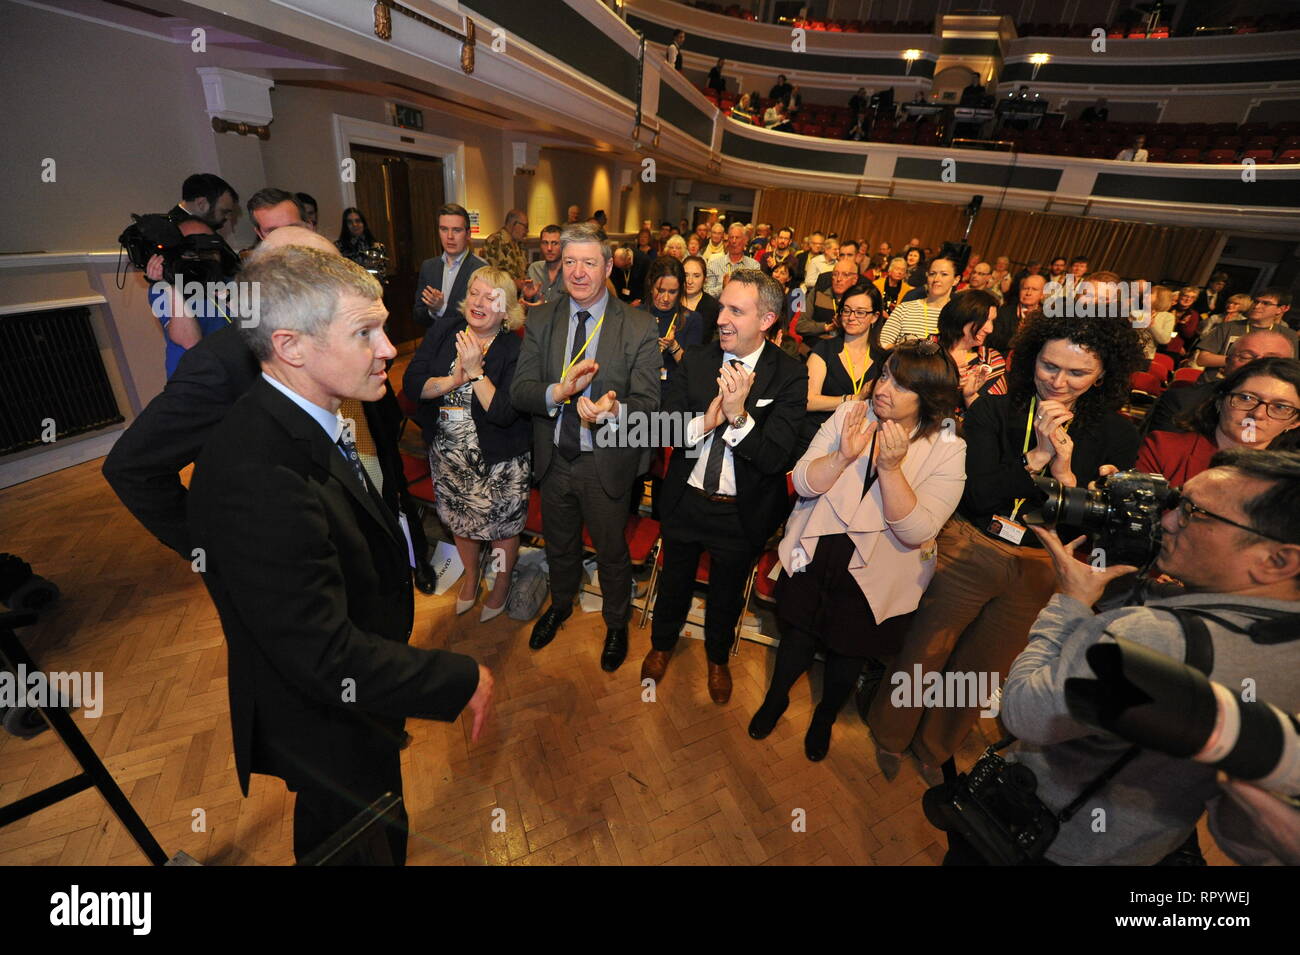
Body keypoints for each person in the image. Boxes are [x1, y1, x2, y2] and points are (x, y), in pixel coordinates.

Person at [187, 245, 492, 865]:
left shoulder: (305, 418)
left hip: (358, 698)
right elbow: (320, 651)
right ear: (292, 346)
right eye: (365, 332)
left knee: (365, 825)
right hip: (326, 712)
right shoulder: (259, 469)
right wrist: (462, 678)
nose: (388, 348)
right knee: (357, 844)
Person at [867, 312, 1144, 779]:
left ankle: (935, 748)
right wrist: (1035, 456)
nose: (1058, 381)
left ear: (1103, 376)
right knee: (925, 649)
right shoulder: (995, 410)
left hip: (1041, 563)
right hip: (972, 544)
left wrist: (1066, 476)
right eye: (1048, 365)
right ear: (1031, 358)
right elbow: (977, 493)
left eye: (1077, 373)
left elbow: (1095, 524)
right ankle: (891, 733)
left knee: (982, 669)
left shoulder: (1117, 434)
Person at [991, 449, 1300, 866]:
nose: (1167, 521)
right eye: (1173, 501)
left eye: (1192, 512)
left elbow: (1025, 712)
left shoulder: (1150, 636)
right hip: (1138, 849)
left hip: (1041, 839)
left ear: (1277, 559)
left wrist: (1068, 603)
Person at [108, 225, 440, 588]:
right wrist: (218, 551)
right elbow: (134, 468)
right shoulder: (222, 363)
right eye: (320, 275)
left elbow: (379, 429)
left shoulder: (354, 335)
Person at [758, 344, 967, 758]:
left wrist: (890, 469)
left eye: (902, 384)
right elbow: (802, 481)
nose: (884, 388)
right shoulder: (848, 414)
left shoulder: (948, 447)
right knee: (796, 633)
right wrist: (842, 456)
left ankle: (825, 717)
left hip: (879, 566)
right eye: (886, 374)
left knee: (847, 651)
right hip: (817, 547)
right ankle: (775, 699)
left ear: (927, 398)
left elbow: (918, 530)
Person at [640, 270, 807, 704]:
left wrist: (737, 417)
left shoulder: (789, 375)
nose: (722, 319)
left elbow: (775, 458)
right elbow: (666, 427)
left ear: (768, 320)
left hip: (741, 511)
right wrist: (709, 420)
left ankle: (717, 657)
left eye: (737, 311)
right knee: (673, 582)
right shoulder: (696, 359)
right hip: (684, 500)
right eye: (722, 307)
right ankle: (661, 645)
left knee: (727, 594)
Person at [511, 224, 661, 671]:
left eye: (589, 262)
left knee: (612, 552)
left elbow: (651, 405)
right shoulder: (541, 318)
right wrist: (557, 393)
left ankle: (616, 624)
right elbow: (520, 391)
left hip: (605, 462)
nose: (577, 272)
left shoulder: (637, 324)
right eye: (570, 261)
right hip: (556, 457)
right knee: (559, 544)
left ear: (608, 266)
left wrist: (613, 411)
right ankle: (560, 605)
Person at [404, 267, 531, 621]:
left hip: (498, 462)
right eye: (475, 293)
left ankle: (502, 582)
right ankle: (472, 577)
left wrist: (475, 373)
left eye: (491, 297)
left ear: (506, 310)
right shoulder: (445, 331)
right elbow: (413, 385)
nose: (479, 302)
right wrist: (452, 379)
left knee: (502, 529)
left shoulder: (515, 350)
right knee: (460, 524)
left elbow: (505, 412)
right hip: (448, 457)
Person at [1137, 357, 1300, 484]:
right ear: (1219, 400)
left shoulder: (1291, 479)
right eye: (1246, 398)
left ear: (1294, 422)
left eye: (1280, 407)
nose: (1258, 414)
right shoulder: (1164, 449)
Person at [1143, 329, 1295, 435]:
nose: (1258, 366)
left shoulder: (1293, 415)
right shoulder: (1183, 401)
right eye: (1246, 357)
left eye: (1271, 360)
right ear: (1227, 362)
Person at [148, 217, 238, 378]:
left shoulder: (231, 281)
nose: (200, 257)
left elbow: (253, 329)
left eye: (208, 248)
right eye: (192, 250)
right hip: (195, 379)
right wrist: (172, 284)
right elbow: (190, 341)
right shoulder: (163, 289)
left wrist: (221, 289)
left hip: (234, 373)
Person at [802, 282, 887, 447]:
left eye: (860, 312)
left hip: (862, 441)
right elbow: (808, 400)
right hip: (818, 438)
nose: (851, 317)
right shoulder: (824, 349)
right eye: (846, 310)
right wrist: (853, 398)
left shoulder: (883, 359)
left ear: (875, 317)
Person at [1197, 288, 1297, 381]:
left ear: (1282, 309)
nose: (1257, 306)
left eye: (1266, 303)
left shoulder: (1287, 335)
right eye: (1256, 301)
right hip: (1216, 383)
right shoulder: (1228, 327)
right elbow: (1202, 359)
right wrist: (1247, 360)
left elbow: (1289, 368)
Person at [413, 203, 485, 331]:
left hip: (466, 346)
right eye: (444, 229)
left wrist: (441, 308)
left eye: (457, 230)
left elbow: (482, 318)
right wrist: (432, 310)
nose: (450, 236)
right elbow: (418, 315)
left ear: (468, 234)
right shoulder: (428, 267)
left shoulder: (481, 269)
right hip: (433, 346)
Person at [641, 255, 703, 396]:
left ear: (681, 289)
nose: (666, 298)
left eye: (672, 292)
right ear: (651, 285)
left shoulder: (692, 320)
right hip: (640, 392)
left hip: (673, 395)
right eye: (661, 290)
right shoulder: (636, 316)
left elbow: (693, 370)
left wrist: (674, 347)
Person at [935, 289, 1007, 409]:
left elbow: (992, 417)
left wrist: (969, 395)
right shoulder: (927, 350)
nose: (990, 329)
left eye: (992, 321)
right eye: (984, 320)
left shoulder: (990, 361)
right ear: (962, 317)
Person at [879, 257, 958, 348]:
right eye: (932, 274)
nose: (936, 279)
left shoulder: (958, 314)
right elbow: (883, 344)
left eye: (944, 274)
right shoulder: (904, 309)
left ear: (956, 280)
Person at [988, 272, 1045, 355]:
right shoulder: (1004, 312)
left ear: (1042, 294)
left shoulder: (1047, 317)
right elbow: (992, 340)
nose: (1028, 293)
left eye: (1034, 289)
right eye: (1025, 288)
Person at [704, 223, 759, 297]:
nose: (734, 241)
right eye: (731, 237)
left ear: (744, 241)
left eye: (737, 237)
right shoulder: (714, 264)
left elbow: (756, 293)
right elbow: (707, 293)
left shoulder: (753, 266)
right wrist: (723, 288)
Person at [482, 209, 530, 290]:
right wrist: (513, 284)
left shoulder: (520, 244)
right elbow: (488, 277)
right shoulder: (494, 242)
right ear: (514, 224)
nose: (527, 231)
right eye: (525, 226)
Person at [523, 223, 566, 308]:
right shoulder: (534, 269)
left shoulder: (571, 271)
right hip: (536, 319)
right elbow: (523, 307)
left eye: (554, 243)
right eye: (545, 243)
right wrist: (528, 297)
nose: (549, 248)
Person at [336, 207, 388, 273]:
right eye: (350, 222)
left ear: (363, 223)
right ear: (345, 226)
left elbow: (381, 272)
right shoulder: (338, 248)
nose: (354, 225)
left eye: (357, 221)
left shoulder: (377, 247)